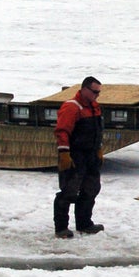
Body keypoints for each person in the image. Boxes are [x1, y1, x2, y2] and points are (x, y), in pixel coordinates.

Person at [52, 76, 106, 238]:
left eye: (99, 92)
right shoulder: (72, 107)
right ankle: (61, 228)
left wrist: (99, 150)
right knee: (69, 191)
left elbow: (97, 132)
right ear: (84, 89)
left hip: (91, 155)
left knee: (91, 189)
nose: (97, 95)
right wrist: (64, 154)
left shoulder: (94, 107)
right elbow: (62, 131)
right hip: (75, 155)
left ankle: (84, 224)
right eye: (94, 92)